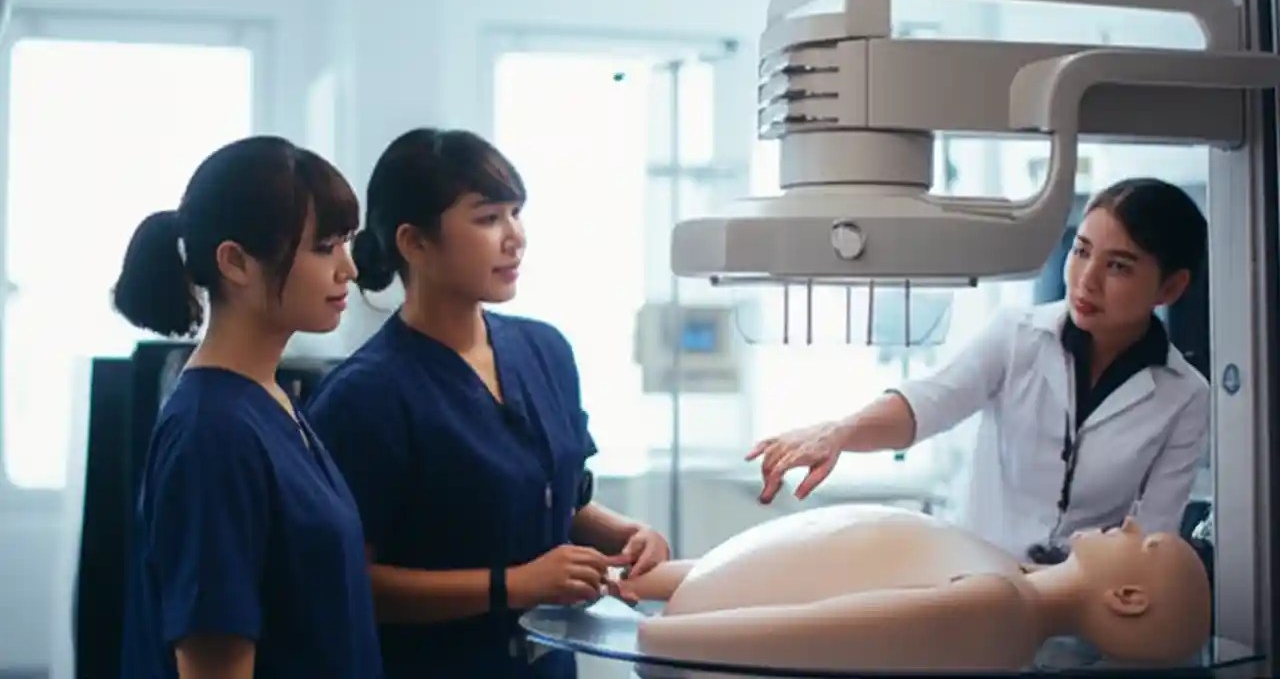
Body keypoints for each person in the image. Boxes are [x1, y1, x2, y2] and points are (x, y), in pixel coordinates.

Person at [304, 127, 672, 679]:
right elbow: (344, 583)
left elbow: (552, 500)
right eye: (488, 218)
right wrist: (512, 585)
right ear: (415, 243)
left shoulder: (545, 351)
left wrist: (625, 534)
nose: (515, 236)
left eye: (516, 213)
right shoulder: (366, 396)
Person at [747, 177, 1210, 563]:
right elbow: (927, 404)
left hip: (1089, 613)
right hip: (982, 587)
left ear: (1170, 287)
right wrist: (839, 434)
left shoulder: (1185, 396)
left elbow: (1154, 542)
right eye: (1081, 251)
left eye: (1119, 267)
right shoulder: (1017, 335)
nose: (1086, 279)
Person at [114, 136, 383, 679]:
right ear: (235, 262)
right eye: (325, 247)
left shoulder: (269, 400)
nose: (349, 270)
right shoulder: (213, 433)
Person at [618, 504, 1211, 673]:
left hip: (699, 637)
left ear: (1127, 598)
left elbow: (821, 632)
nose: (1134, 525)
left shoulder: (998, 612)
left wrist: (665, 637)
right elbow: (838, 564)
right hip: (698, 600)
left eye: (1147, 543)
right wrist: (660, 579)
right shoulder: (1010, 577)